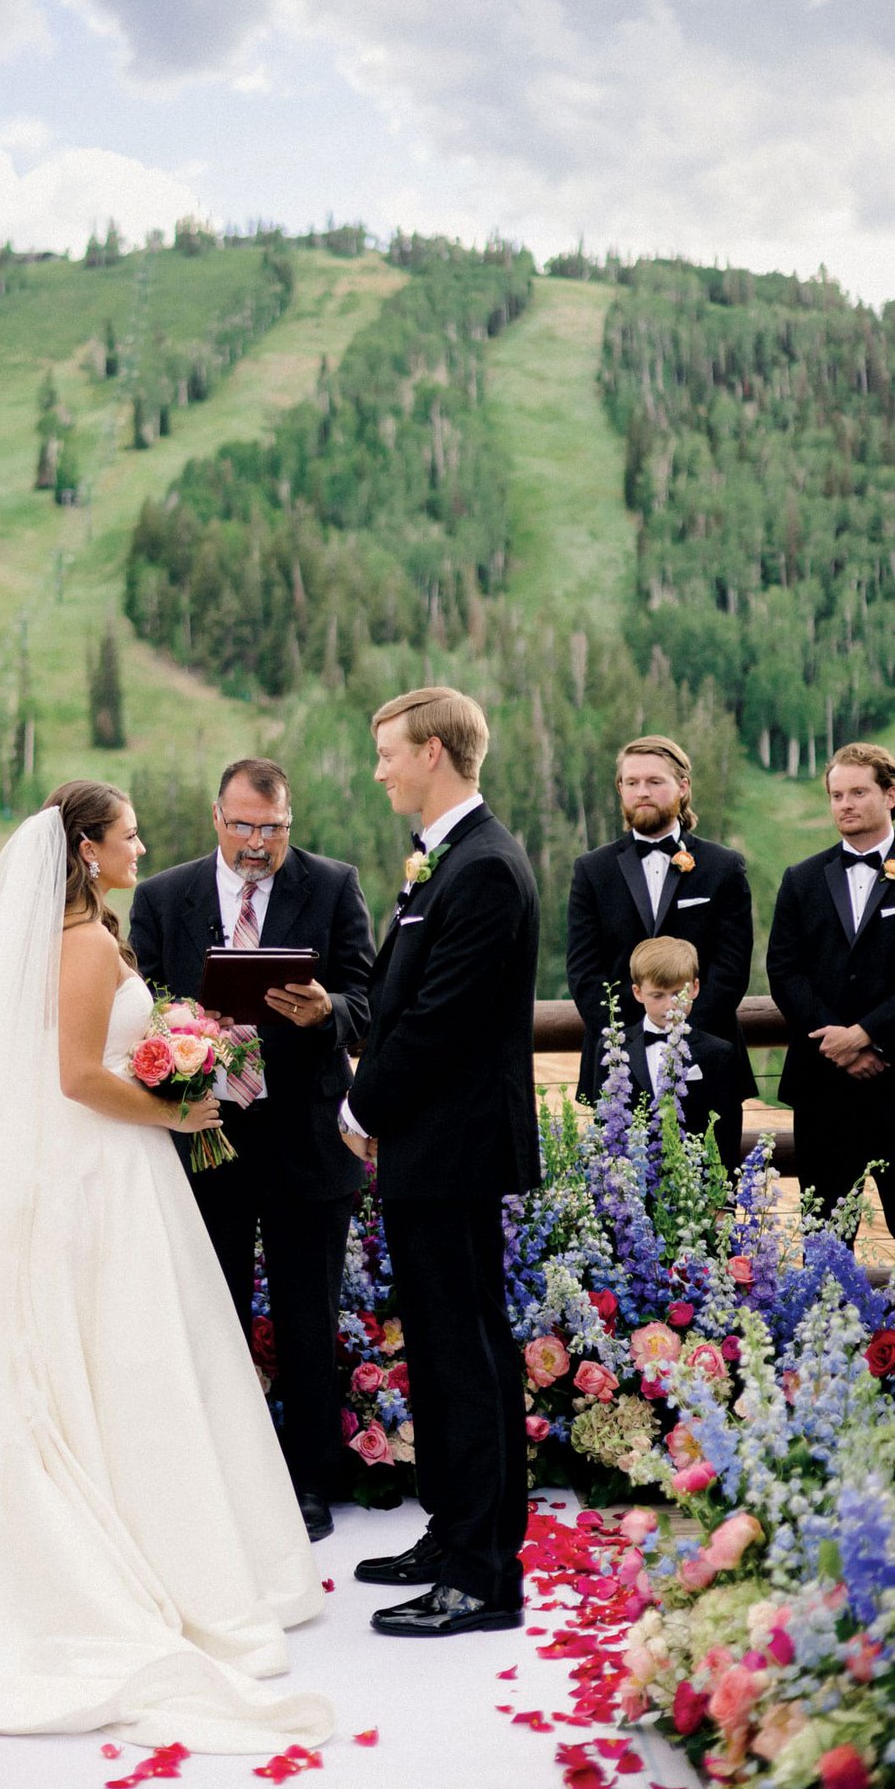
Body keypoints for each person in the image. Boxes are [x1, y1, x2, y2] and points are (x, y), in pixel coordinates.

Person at [0, 783, 332, 1753]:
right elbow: (78, 1075)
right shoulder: (85, 942)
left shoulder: (77, 934)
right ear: (87, 849)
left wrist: (178, 1061)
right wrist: (178, 1108)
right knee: (124, 1351)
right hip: (103, 1165)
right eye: (127, 832)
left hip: (96, 1163)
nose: (141, 844)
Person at [129, 757, 374, 1543]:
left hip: (305, 1138)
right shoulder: (164, 896)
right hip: (208, 1141)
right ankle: (220, 1480)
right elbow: (140, 1015)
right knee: (214, 1317)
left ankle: (307, 1486)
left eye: (272, 828)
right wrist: (182, 1043)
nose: (258, 842)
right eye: (243, 826)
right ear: (216, 817)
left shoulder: (332, 885)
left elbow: (368, 1003)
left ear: (289, 822)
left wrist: (324, 1009)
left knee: (308, 1323)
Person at [339, 686, 539, 1638]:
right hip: (430, 1145)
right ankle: (454, 1528)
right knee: (444, 1345)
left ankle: (482, 1576)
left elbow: (440, 1023)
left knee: (467, 1353)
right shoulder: (445, 860)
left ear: (435, 753)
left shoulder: (486, 867)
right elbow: (399, 997)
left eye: (388, 752)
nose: (378, 769)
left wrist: (360, 1101)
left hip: (453, 1145)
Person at [566, 734, 755, 1107]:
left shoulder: (723, 867)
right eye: (632, 782)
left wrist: (685, 1037)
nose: (642, 791)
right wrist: (633, 1043)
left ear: (683, 787)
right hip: (617, 1064)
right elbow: (584, 971)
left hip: (708, 1057)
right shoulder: (592, 870)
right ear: (620, 789)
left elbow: (731, 967)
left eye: (655, 782)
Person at [767, 742, 895, 1236]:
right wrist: (837, 1044)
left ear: (890, 795)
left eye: (858, 792)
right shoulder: (801, 879)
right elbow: (783, 970)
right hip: (824, 1085)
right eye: (837, 794)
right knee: (824, 1238)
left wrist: (866, 1035)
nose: (845, 803)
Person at [623, 937, 744, 1170]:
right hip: (631, 1190)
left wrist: (724, 1202)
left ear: (695, 988)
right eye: (657, 995)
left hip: (695, 1184)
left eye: (678, 993)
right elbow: (604, 1124)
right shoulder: (614, 1049)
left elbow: (727, 1133)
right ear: (638, 993)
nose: (669, 1005)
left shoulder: (719, 1053)